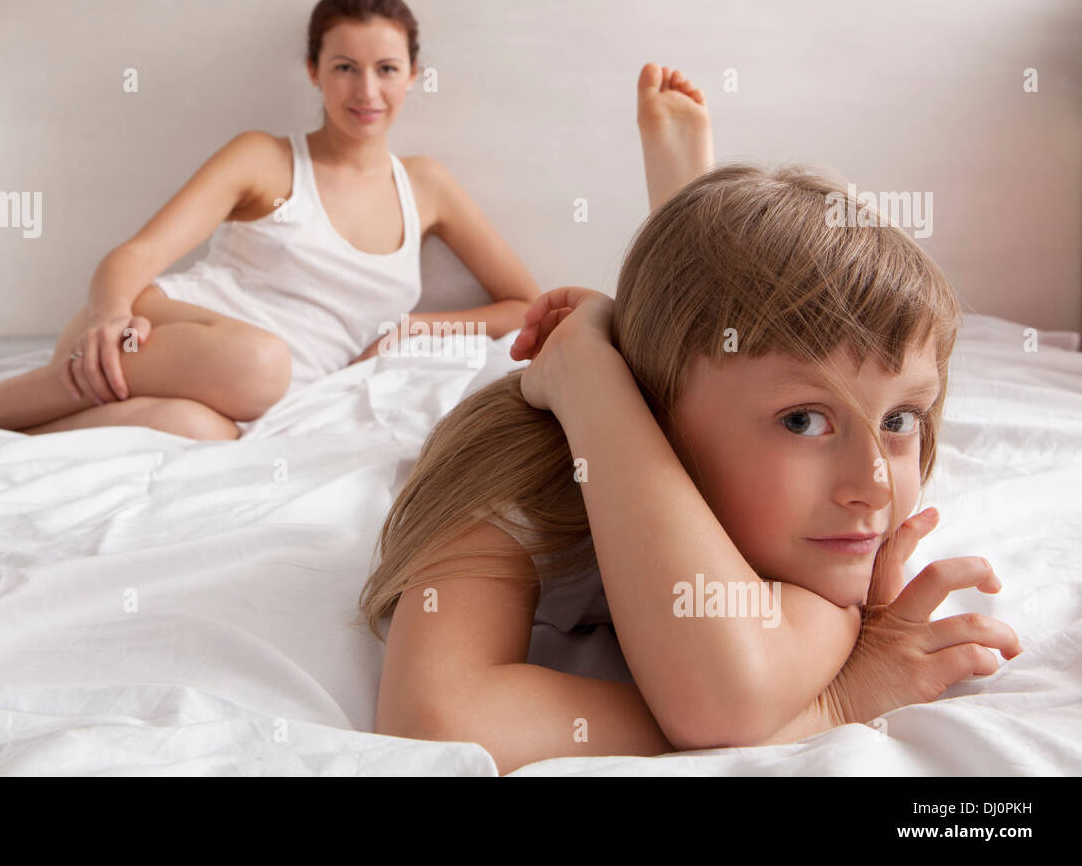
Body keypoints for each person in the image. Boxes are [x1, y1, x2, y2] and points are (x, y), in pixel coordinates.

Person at [359, 62, 1023, 775]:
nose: (875, 488)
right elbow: (438, 719)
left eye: (900, 418)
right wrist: (582, 370)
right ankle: (661, 249)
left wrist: (828, 692)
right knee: (687, 353)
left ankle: (683, 214)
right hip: (571, 409)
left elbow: (728, 697)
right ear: (640, 408)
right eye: (803, 421)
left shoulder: (829, 543)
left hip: (667, 393)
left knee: (705, 346)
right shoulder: (519, 479)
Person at [0, 0, 540, 450]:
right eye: (344, 67)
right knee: (260, 360)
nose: (364, 91)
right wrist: (111, 314)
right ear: (313, 71)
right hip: (162, 333)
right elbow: (134, 257)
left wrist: (416, 329)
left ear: (414, 78)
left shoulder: (427, 186)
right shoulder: (266, 157)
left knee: (196, 431)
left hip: (238, 399)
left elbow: (527, 304)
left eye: (386, 69)